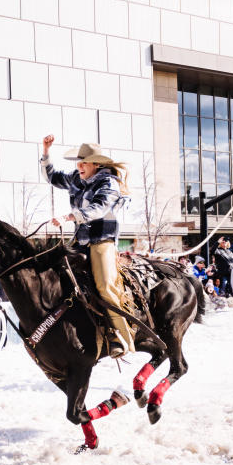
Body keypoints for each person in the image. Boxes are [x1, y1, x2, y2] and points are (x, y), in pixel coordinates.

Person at [41, 135, 134, 358]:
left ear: (96, 164)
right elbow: (52, 177)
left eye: (83, 162)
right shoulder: (76, 178)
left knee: (104, 285)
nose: (79, 166)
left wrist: (70, 216)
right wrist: (46, 151)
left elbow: (99, 208)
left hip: (102, 239)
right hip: (80, 240)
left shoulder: (109, 183)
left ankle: (120, 337)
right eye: (78, 162)